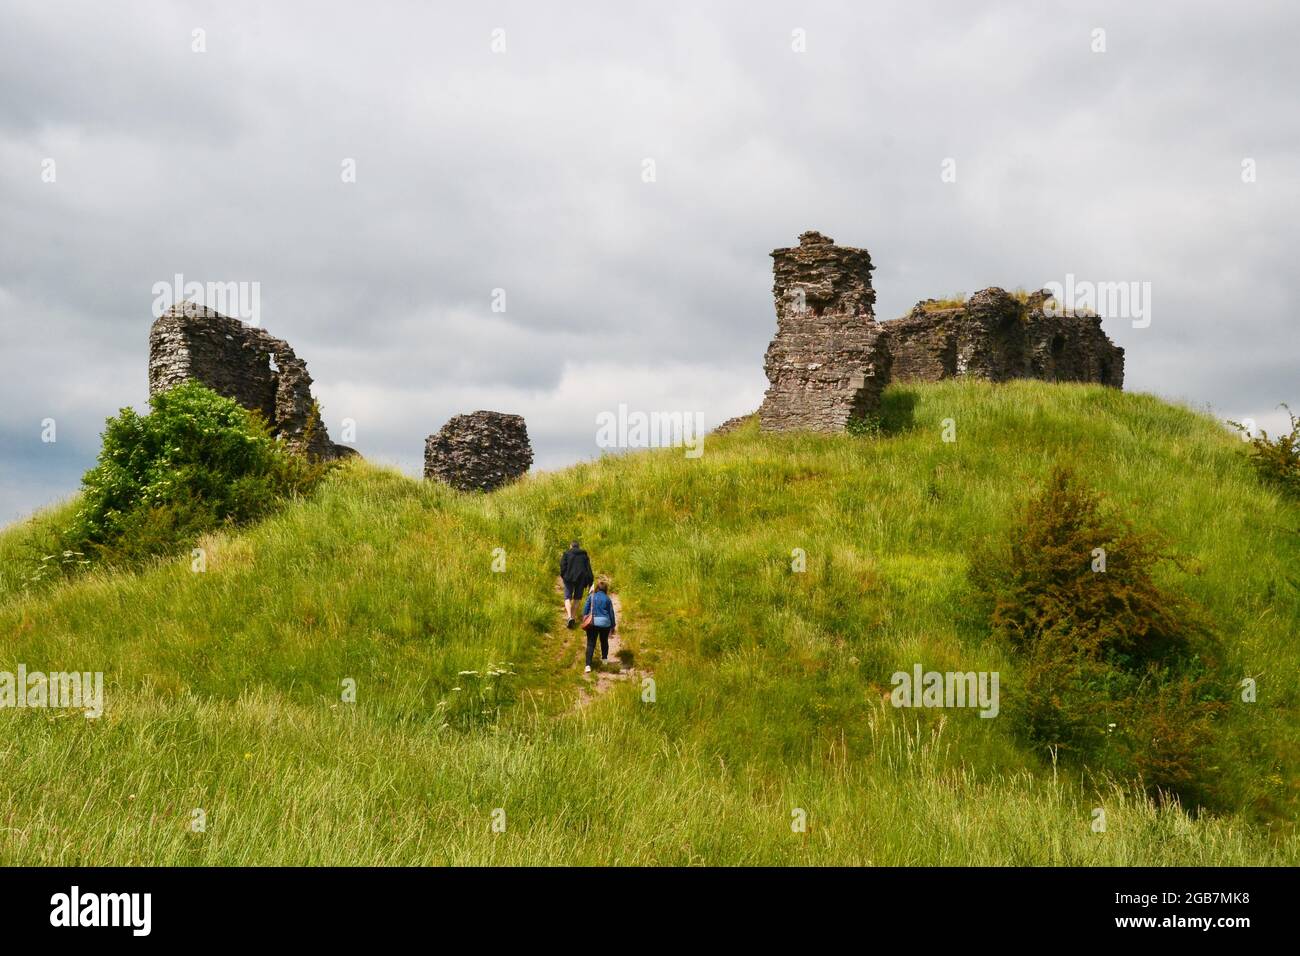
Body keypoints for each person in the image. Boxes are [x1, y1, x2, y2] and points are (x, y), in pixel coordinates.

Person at [581, 578, 616, 673]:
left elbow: (585, 610)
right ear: (605, 589)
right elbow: (611, 613)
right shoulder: (607, 599)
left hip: (593, 622)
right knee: (604, 641)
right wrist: (613, 626)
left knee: (591, 643)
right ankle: (604, 660)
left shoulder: (591, 596)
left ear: (597, 588)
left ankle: (588, 665)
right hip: (605, 623)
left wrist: (584, 619)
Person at [559, 539, 594, 629]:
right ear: (578, 547)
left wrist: (563, 575)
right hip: (581, 579)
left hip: (569, 578)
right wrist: (591, 582)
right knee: (577, 599)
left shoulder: (566, 553)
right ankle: (573, 617)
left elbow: (562, 566)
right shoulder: (584, 555)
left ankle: (569, 617)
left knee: (567, 598)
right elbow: (588, 569)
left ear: (571, 546)